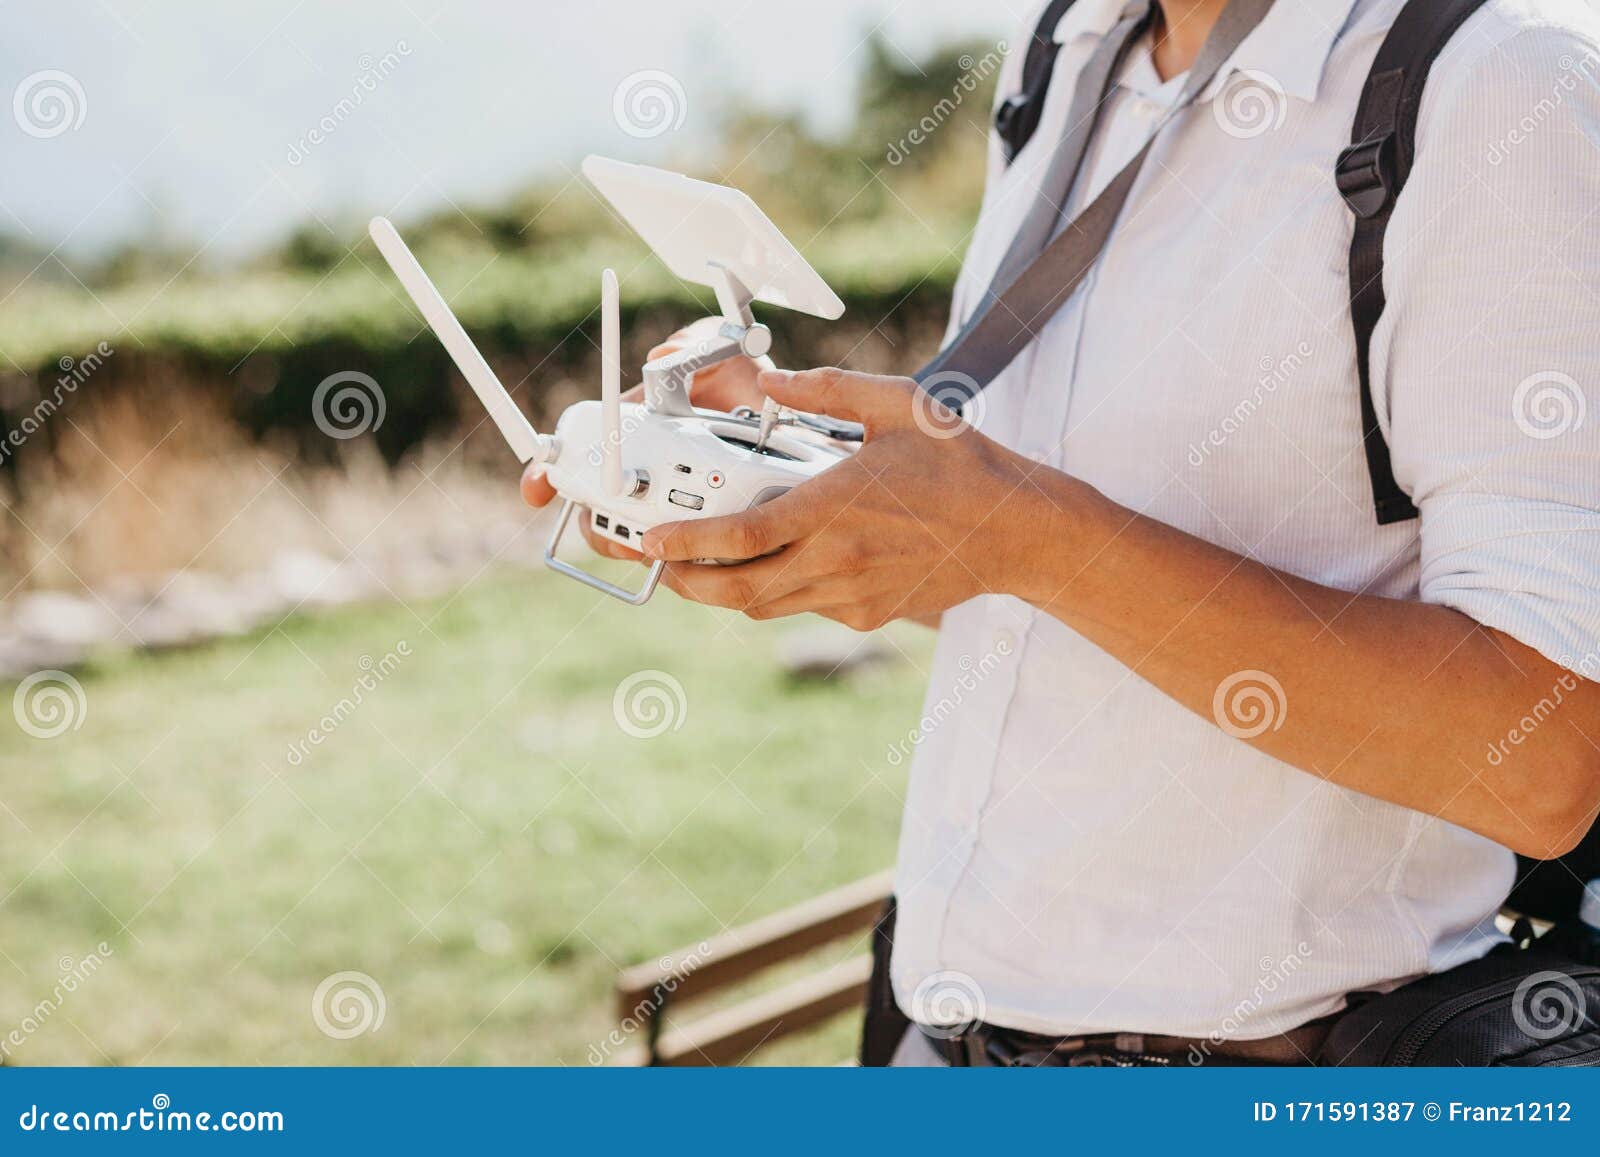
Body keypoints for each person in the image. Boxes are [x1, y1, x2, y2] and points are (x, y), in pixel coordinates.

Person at [524, 0, 1600, 1065]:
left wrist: (1025, 533)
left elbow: (1548, 761)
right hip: (938, 1041)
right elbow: (1027, 553)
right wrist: (783, 490)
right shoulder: (1065, 51)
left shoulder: (1496, 85)